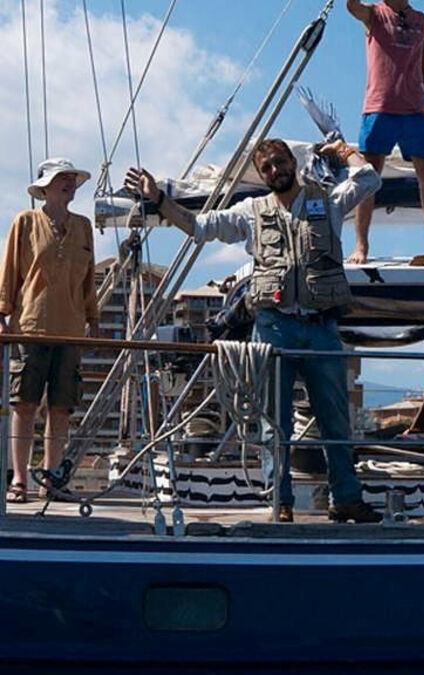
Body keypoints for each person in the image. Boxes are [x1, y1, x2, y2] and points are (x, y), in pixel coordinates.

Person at [124, 138, 383, 523]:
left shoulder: (327, 201)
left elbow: (369, 179)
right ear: (262, 176)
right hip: (275, 327)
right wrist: (159, 199)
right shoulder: (250, 212)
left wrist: (344, 151)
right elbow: (198, 227)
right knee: (274, 422)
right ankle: (281, 502)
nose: (276, 171)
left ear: (292, 162)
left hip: (321, 326)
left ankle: (346, 498)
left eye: (280, 162)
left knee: (335, 420)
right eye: (267, 168)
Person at [0, 158, 99, 504]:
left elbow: (89, 280)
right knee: (24, 404)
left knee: (61, 408)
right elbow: (9, 271)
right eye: (62, 178)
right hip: (30, 326)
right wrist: (2, 313)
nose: (69, 183)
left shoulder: (83, 227)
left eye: (72, 178)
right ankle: (19, 480)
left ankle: (52, 478)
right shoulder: (25, 222)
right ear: (46, 187)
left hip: (70, 330)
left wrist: (93, 319)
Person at [345, 0, 424, 264]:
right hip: (380, 107)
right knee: (368, 176)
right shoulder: (375, 14)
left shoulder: (422, 21)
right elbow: (352, 6)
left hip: (415, 110)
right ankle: (361, 245)